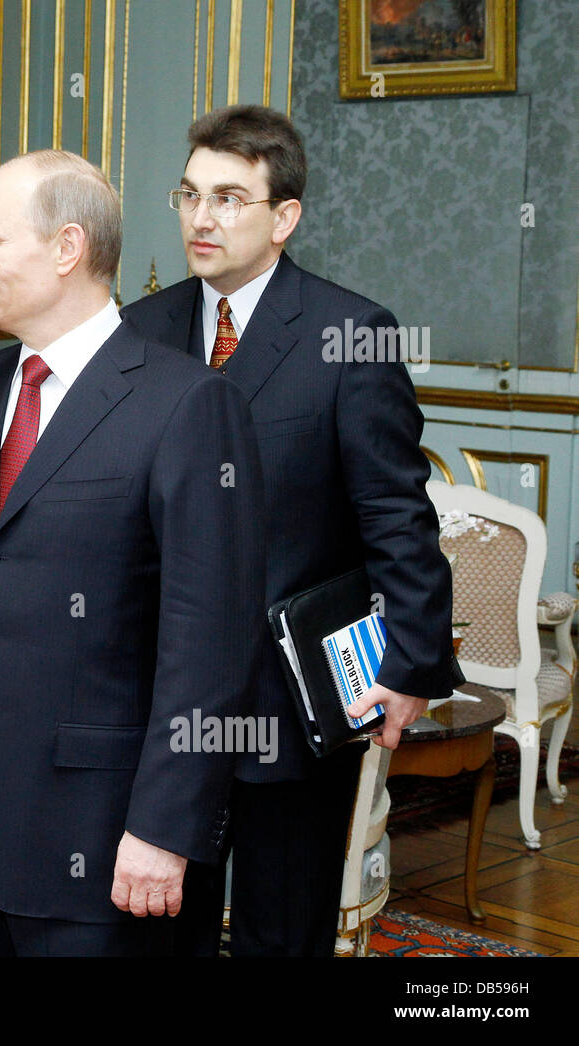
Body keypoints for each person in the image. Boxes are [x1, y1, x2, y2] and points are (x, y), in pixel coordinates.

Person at [0, 149, 267, 957]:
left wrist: (166, 827)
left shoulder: (190, 405)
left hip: (103, 843)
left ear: (66, 249)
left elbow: (211, 644)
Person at [121, 104, 460, 957]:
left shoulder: (352, 334)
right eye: (190, 195)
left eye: (230, 198)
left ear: (285, 218)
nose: (202, 218)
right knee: (158, 923)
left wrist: (411, 663)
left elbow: (395, 512)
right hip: (156, 698)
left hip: (291, 697)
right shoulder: (140, 330)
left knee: (284, 929)